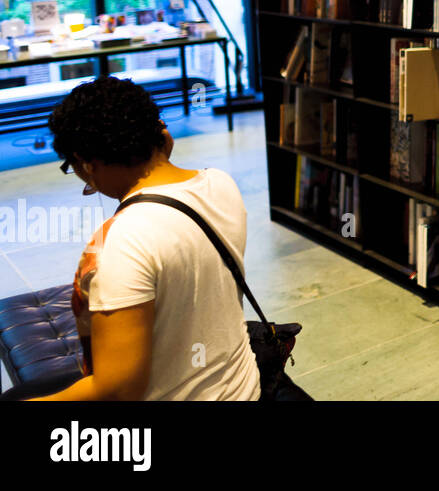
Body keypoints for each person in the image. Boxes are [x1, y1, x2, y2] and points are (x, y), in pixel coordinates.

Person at [5, 77, 260, 401]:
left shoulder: (121, 244)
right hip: (244, 389)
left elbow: (118, 390)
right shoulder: (220, 184)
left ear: (87, 163)